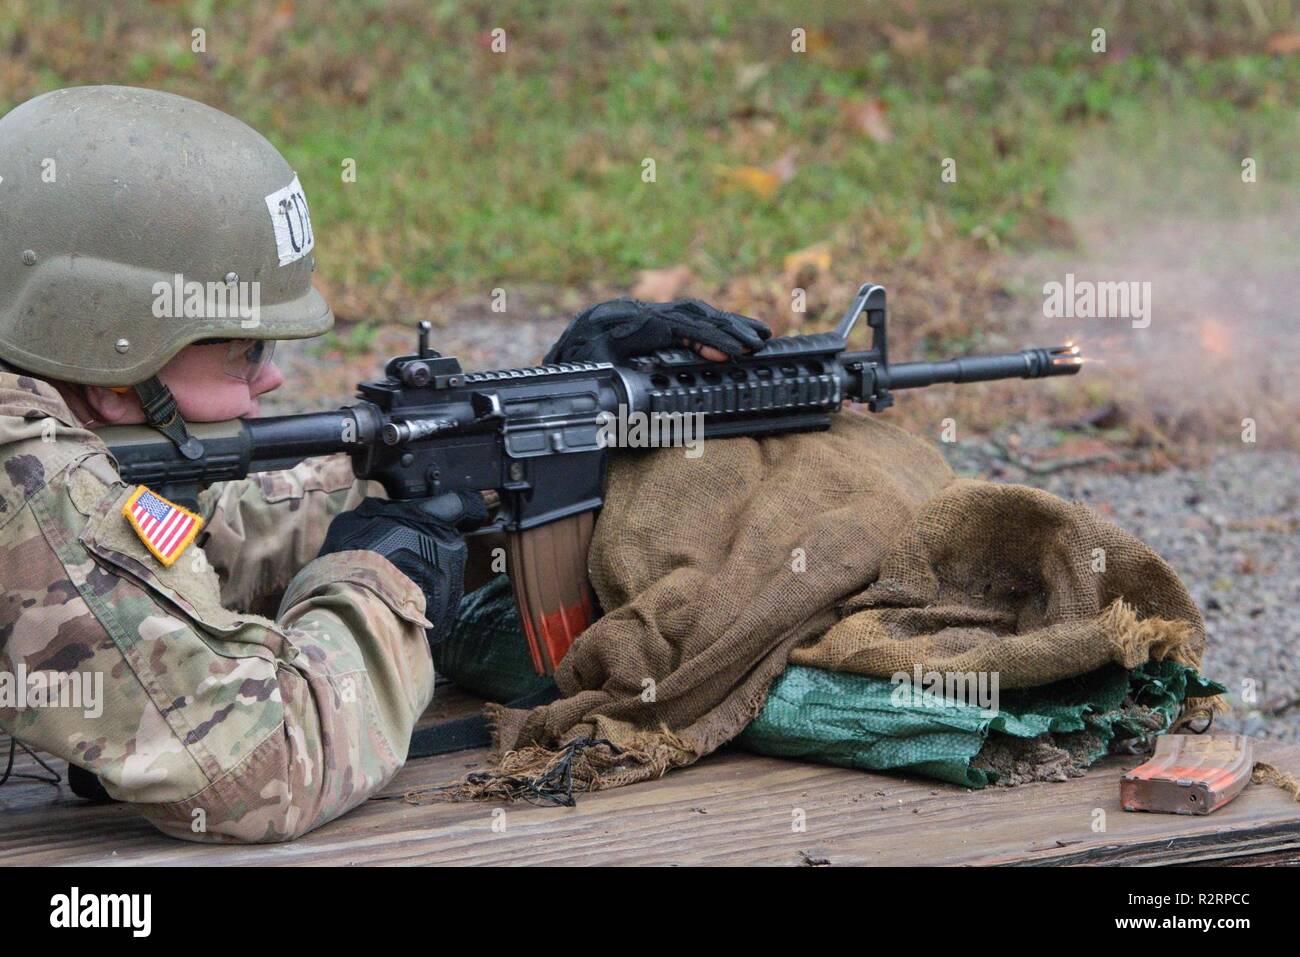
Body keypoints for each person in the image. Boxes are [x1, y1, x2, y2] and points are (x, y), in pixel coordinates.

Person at [0, 85, 768, 843]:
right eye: (244, 351)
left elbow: (200, 532)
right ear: (112, 362)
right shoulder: (31, 483)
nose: (270, 378)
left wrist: (473, 447)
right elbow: (263, 767)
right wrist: (376, 583)